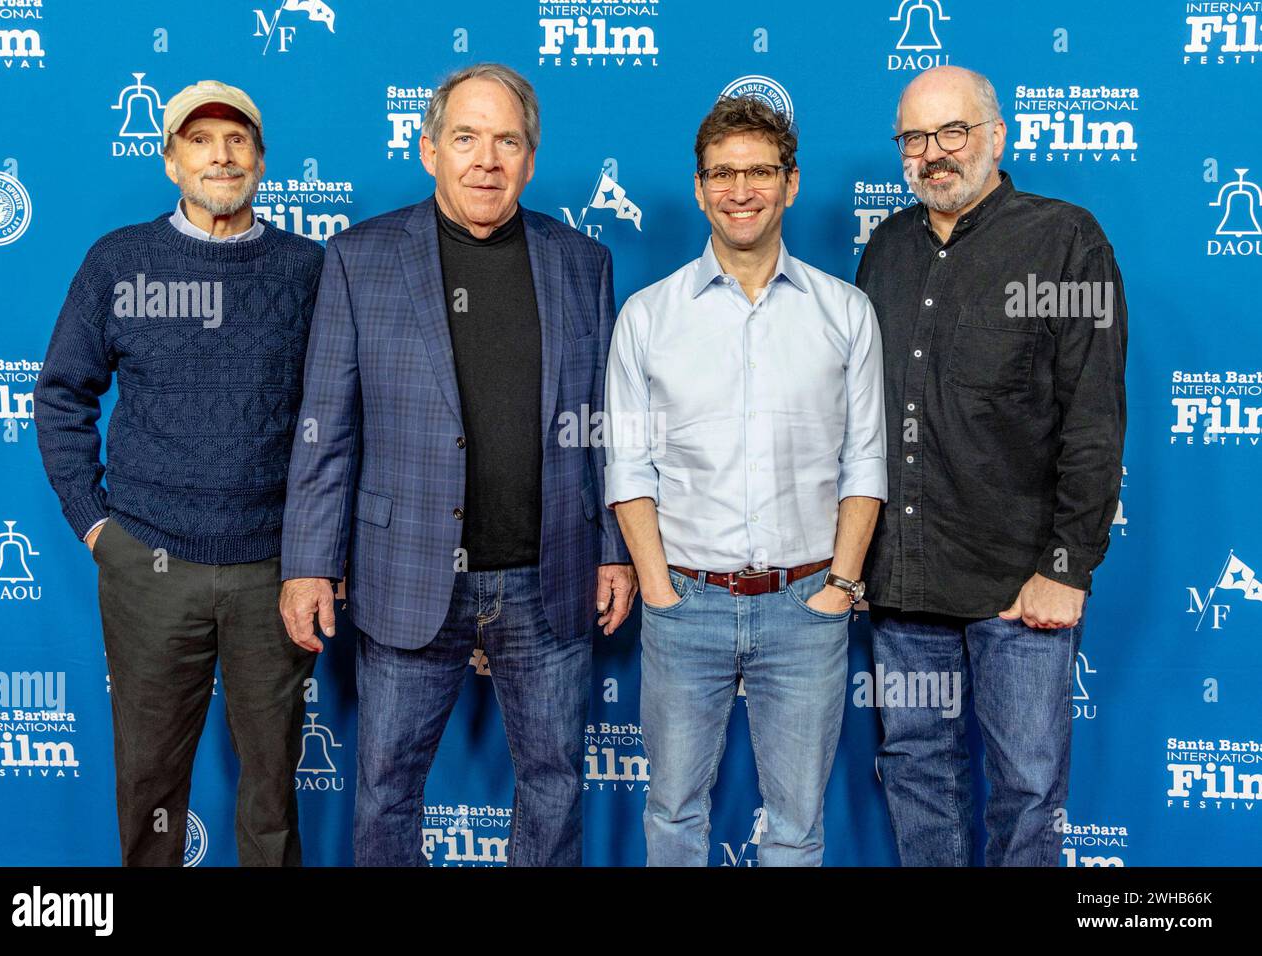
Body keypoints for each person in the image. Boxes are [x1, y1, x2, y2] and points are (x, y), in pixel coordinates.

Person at [278, 63, 637, 867]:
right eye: (466, 138)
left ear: (530, 159)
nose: (487, 159)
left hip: (550, 577)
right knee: (386, 787)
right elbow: (325, 427)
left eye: (507, 140)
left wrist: (616, 548)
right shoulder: (358, 259)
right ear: (428, 148)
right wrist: (308, 562)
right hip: (404, 574)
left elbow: (608, 426)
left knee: (553, 782)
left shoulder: (583, 262)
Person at [34, 80, 324, 866]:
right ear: (170, 162)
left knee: (272, 786)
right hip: (148, 563)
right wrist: (97, 528)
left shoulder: (309, 271)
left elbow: (340, 418)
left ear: (262, 162)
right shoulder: (120, 261)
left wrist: (317, 556)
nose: (220, 156)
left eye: (237, 141)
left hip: (274, 568)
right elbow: (62, 395)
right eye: (200, 141)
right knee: (150, 777)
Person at [604, 94, 887, 866]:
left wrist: (840, 588)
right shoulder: (648, 317)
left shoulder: (846, 313)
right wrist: (658, 588)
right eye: (723, 174)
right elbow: (628, 465)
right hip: (683, 605)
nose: (741, 190)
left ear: (791, 183)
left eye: (759, 171)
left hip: (808, 609)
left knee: (797, 826)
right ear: (698, 188)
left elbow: (866, 459)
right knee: (671, 814)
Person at [856, 65, 1127, 866]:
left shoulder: (1065, 242)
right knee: (915, 776)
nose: (933, 153)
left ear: (996, 137)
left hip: (1021, 589)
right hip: (905, 587)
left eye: (953, 132)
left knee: (1027, 790)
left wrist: (1068, 568)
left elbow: (1094, 416)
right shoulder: (888, 248)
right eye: (914, 137)